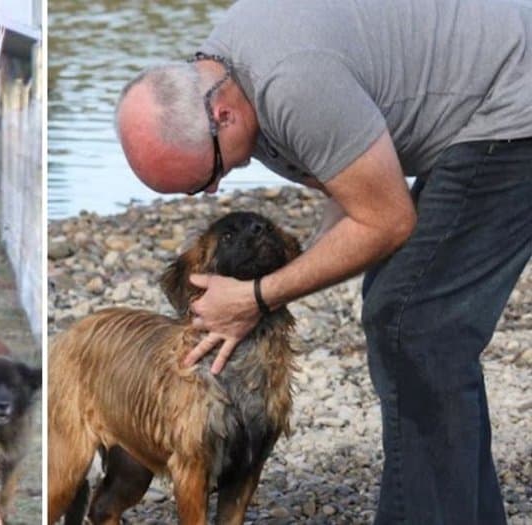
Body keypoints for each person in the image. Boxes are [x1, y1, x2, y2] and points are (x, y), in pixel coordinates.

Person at [114, 0, 532, 523]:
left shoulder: (292, 85)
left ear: (222, 116)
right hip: (479, 104)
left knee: (417, 325)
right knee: (406, 316)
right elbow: (352, 188)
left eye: (208, 177)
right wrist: (299, 266)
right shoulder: (229, 83)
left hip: (513, 102)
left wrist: (256, 297)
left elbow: (386, 220)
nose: (216, 188)